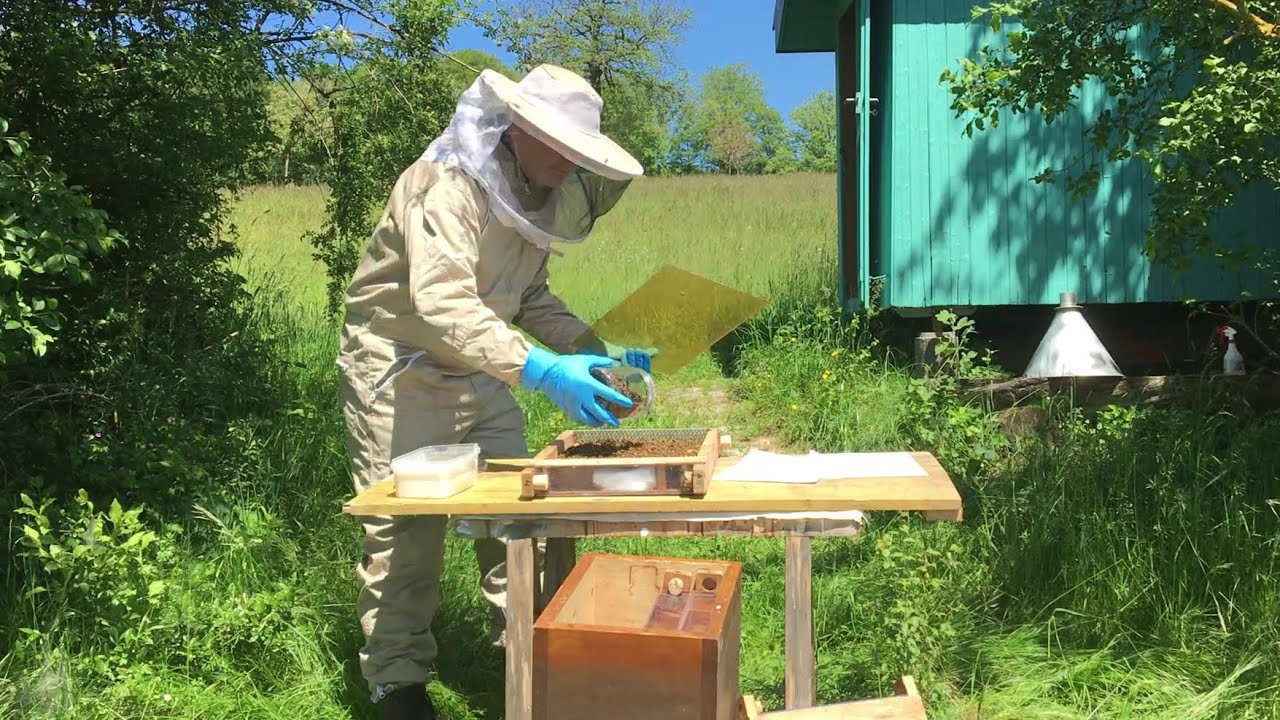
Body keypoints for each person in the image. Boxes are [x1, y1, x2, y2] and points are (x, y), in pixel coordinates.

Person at [336, 63, 654, 719]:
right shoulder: (447, 184)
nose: (569, 162)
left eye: (579, 151)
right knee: (404, 534)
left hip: (480, 367)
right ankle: (399, 687)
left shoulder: (533, 196)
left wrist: (594, 351)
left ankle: (531, 659)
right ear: (518, 127)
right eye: (560, 144)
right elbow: (443, 302)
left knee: (519, 515)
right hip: (400, 367)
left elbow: (528, 297)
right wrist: (541, 371)